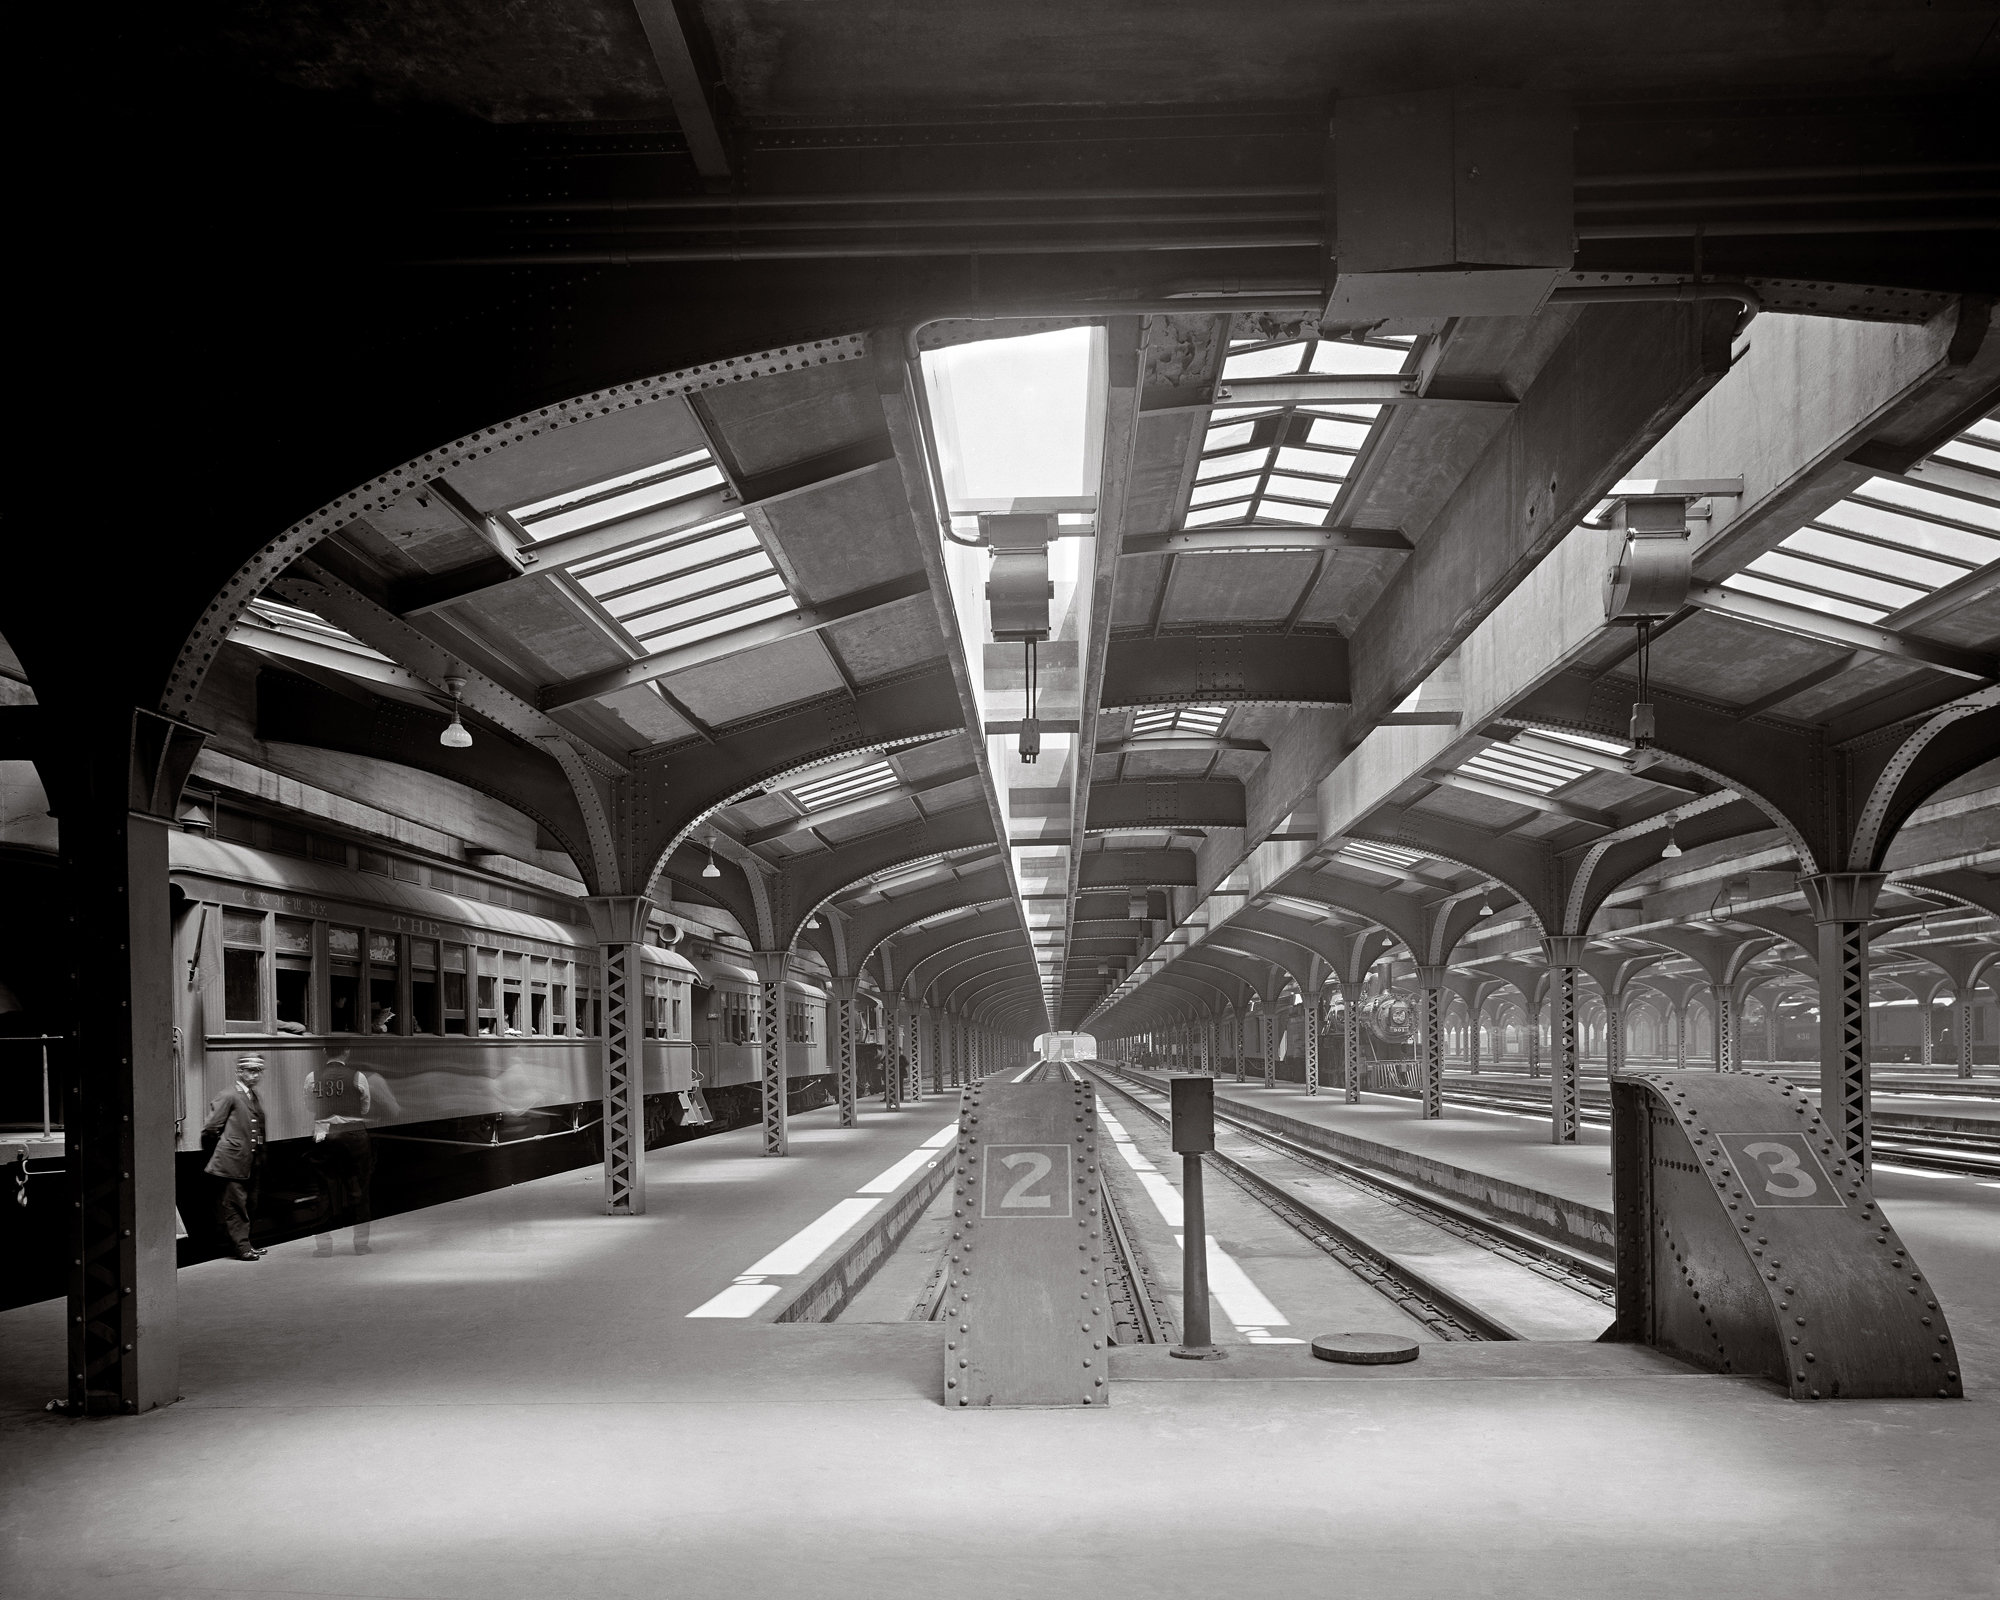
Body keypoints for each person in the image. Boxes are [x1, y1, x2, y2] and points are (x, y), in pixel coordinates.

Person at [306, 1052, 379, 1256]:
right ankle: (361, 1246)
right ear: (347, 1052)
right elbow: (364, 1108)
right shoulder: (358, 1076)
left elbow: (310, 1105)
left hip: (323, 1133)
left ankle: (324, 1248)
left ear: (324, 1053)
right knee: (359, 1190)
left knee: (324, 1190)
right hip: (353, 1132)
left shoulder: (312, 1076)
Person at [202, 1054, 268, 1260]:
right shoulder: (229, 1095)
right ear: (239, 1072)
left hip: (250, 1159)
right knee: (236, 1204)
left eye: (258, 1071)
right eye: (250, 1070)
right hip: (233, 1159)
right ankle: (242, 1248)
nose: (255, 1075)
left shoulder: (252, 1095)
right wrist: (227, 1148)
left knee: (250, 1203)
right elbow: (212, 1127)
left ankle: (246, 1244)